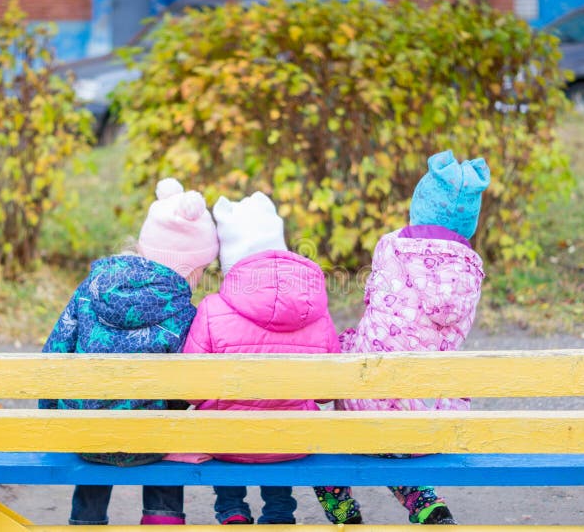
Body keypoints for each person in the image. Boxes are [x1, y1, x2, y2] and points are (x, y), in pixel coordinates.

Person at [319, 150, 490, 526]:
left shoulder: (391, 246)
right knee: (398, 424)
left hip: (372, 408)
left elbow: (371, 306)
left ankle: (336, 496)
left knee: (343, 384)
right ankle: (423, 500)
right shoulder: (472, 271)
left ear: (420, 207)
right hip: (434, 416)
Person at [39, 178, 218, 526]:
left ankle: (86, 522)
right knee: (167, 421)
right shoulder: (183, 312)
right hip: (152, 441)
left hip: (85, 437)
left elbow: (54, 354)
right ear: (191, 267)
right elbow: (188, 389)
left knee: (95, 420)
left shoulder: (92, 288)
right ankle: (162, 520)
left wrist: (51, 420)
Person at [183, 191, 361, 525]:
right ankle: (279, 511)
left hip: (227, 442)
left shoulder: (212, 308)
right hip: (292, 440)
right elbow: (326, 392)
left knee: (223, 421)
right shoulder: (315, 308)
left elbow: (194, 391)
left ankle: (232, 509)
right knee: (281, 421)